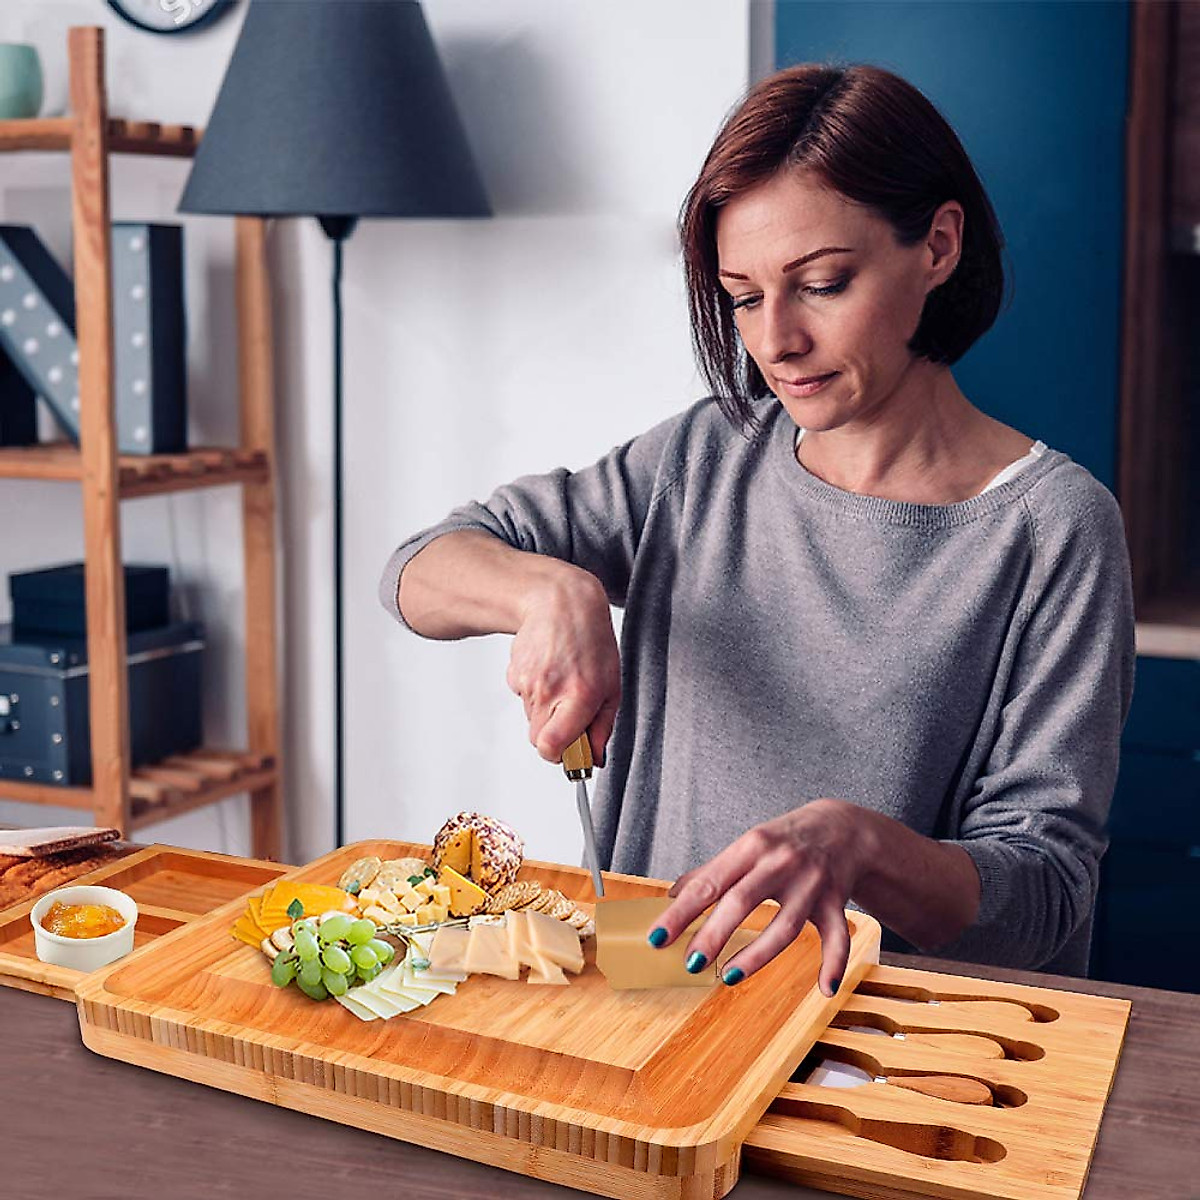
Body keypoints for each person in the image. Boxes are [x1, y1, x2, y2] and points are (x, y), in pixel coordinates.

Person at [380, 63, 1135, 996]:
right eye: (742, 296)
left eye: (821, 284)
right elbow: (417, 568)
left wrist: (858, 845)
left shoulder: (1052, 528)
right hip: (657, 1001)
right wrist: (549, 588)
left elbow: (1045, 895)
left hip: (883, 1052)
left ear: (938, 246)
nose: (774, 340)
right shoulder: (707, 455)